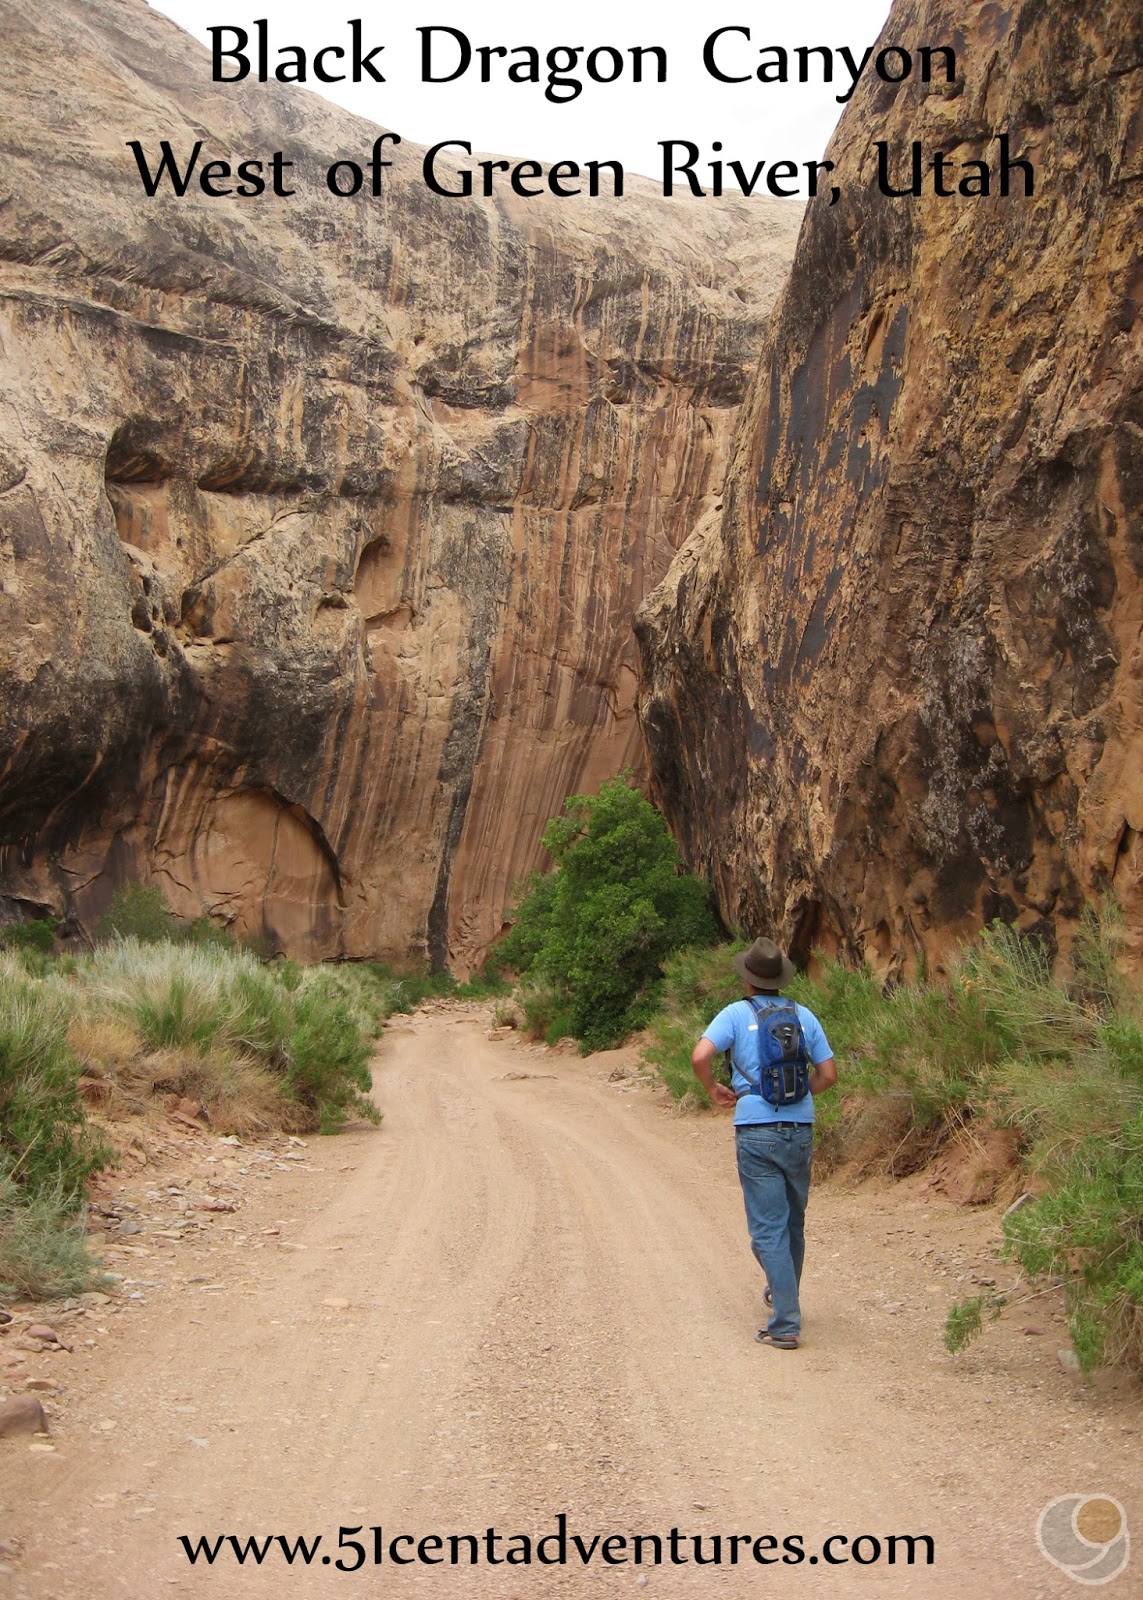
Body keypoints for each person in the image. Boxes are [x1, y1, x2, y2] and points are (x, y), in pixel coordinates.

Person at [691, 937, 836, 1350]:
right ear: (780, 979)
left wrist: (714, 1089)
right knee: (793, 1221)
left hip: (755, 1129)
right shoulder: (803, 1015)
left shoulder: (735, 1013)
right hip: (800, 1129)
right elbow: (828, 1075)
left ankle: (786, 1323)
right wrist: (796, 1095)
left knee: (766, 1229)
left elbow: (700, 1056)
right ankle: (784, 1289)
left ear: (747, 978)